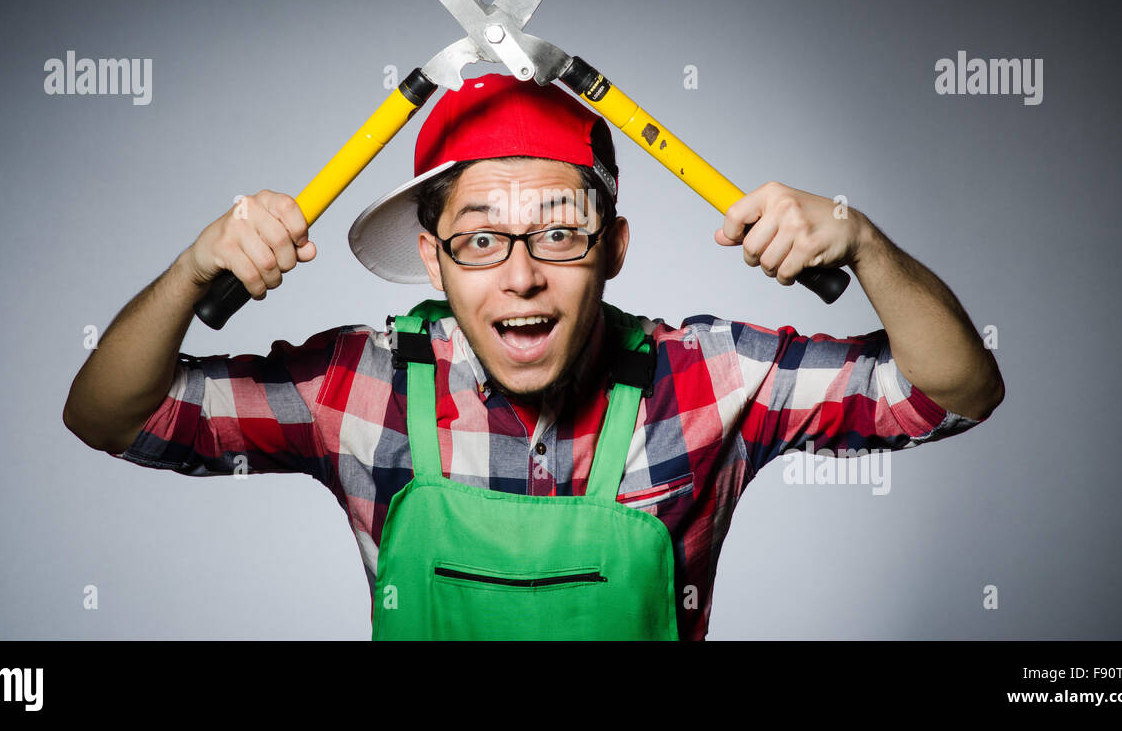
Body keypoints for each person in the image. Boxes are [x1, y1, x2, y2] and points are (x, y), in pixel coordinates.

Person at [63, 72, 1004, 640]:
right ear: (432, 258)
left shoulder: (706, 380)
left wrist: (863, 239)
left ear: (614, 248)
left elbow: (955, 390)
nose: (520, 275)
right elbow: (108, 413)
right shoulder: (360, 388)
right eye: (480, 239)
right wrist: (193, 272)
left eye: (560, 232)